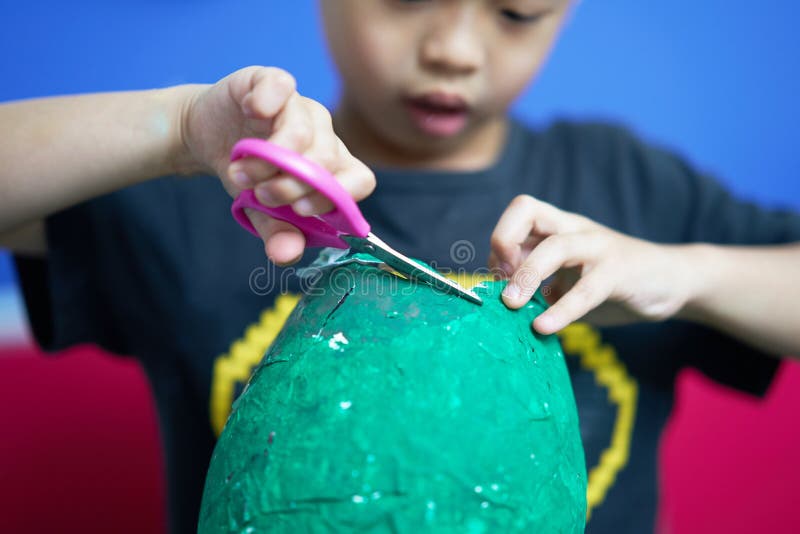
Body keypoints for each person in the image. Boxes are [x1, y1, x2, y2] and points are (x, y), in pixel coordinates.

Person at [3, 0, 799, 532]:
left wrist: (689, 273)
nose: (452, 47)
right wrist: (174, 131)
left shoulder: (633, 189)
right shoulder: (207, 190)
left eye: (516, 11)